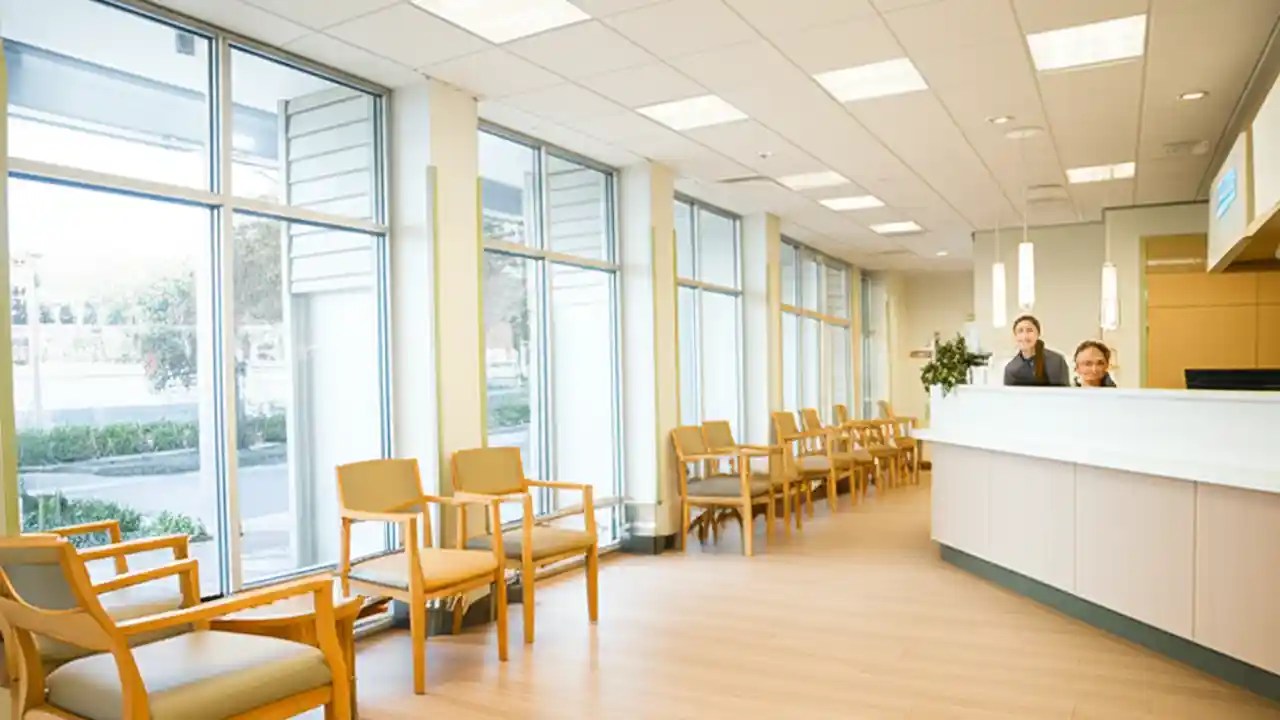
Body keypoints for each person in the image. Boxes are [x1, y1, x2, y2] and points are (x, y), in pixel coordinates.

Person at [1002, 315, 1070, 386]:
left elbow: (1064, 391)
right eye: (1020, 331)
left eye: (1029, 330)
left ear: (1038, 334)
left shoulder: (1056, 361)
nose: (1025, 336)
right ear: (1015, 336)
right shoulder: (1011, 369)